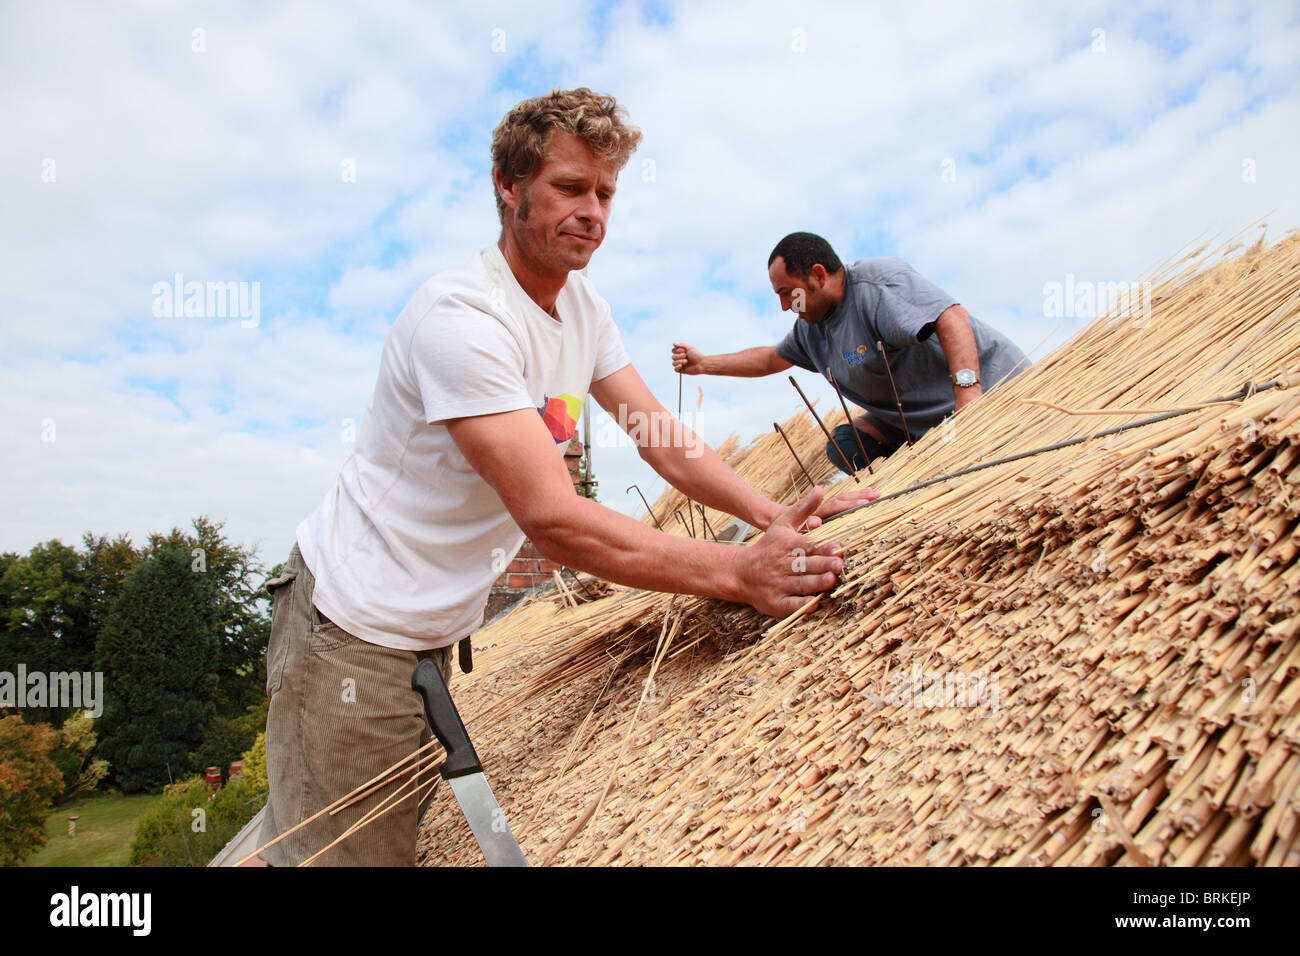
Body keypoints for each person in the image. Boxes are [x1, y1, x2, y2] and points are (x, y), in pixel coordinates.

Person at [255, 93, 878, 866]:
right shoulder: (460, 319)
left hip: (428, 632)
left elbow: (660, 439)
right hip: (351, 629)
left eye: (605, 194)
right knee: (342, 858)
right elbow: (552, 518)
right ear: (507, 187)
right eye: (569, 188)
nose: (592, 212)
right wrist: (737, 571)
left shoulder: (583, 310)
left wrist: (771, 510)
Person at [672, 232, 1029, 472]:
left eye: (787, 292)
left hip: (998, 394)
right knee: (845, 446)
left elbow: (950, 316)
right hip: (923, 424)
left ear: (818, 274)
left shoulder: (876, 284)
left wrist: (969, 397)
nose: (784, 306)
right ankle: (917, 477)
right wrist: (705, 364)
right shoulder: (811, 331)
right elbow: (770, 359)